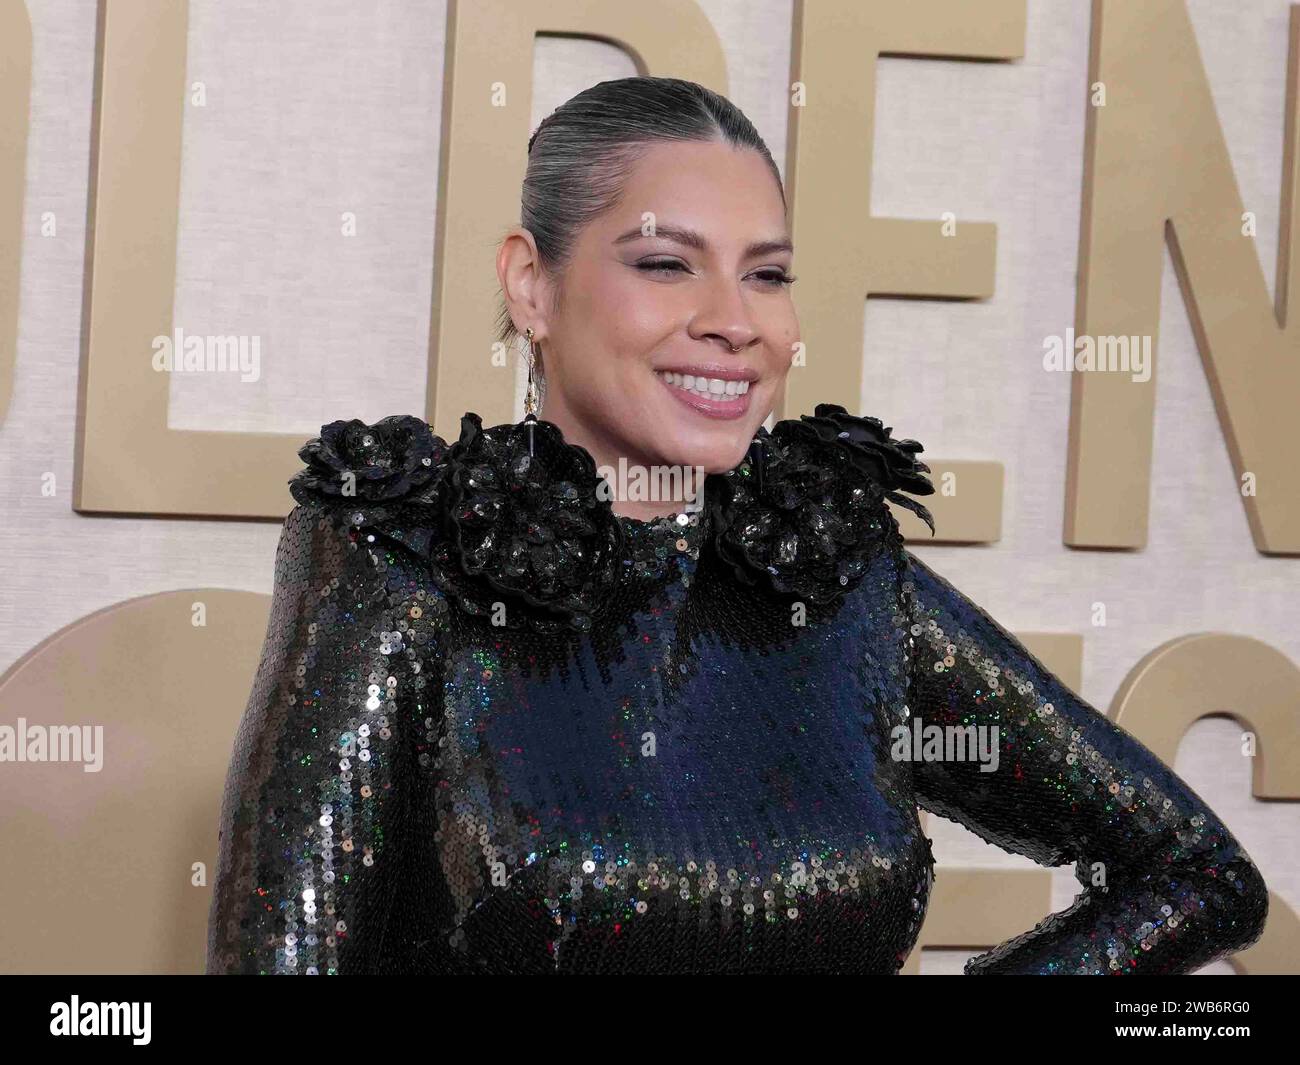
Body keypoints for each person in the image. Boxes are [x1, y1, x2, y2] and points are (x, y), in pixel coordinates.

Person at [206, 76, 1268, 974]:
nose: (734, 319)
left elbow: (1195, 873)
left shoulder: (833, 570)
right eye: (665, 264)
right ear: (532, 285)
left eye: (765, 274)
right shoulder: (405, 561)